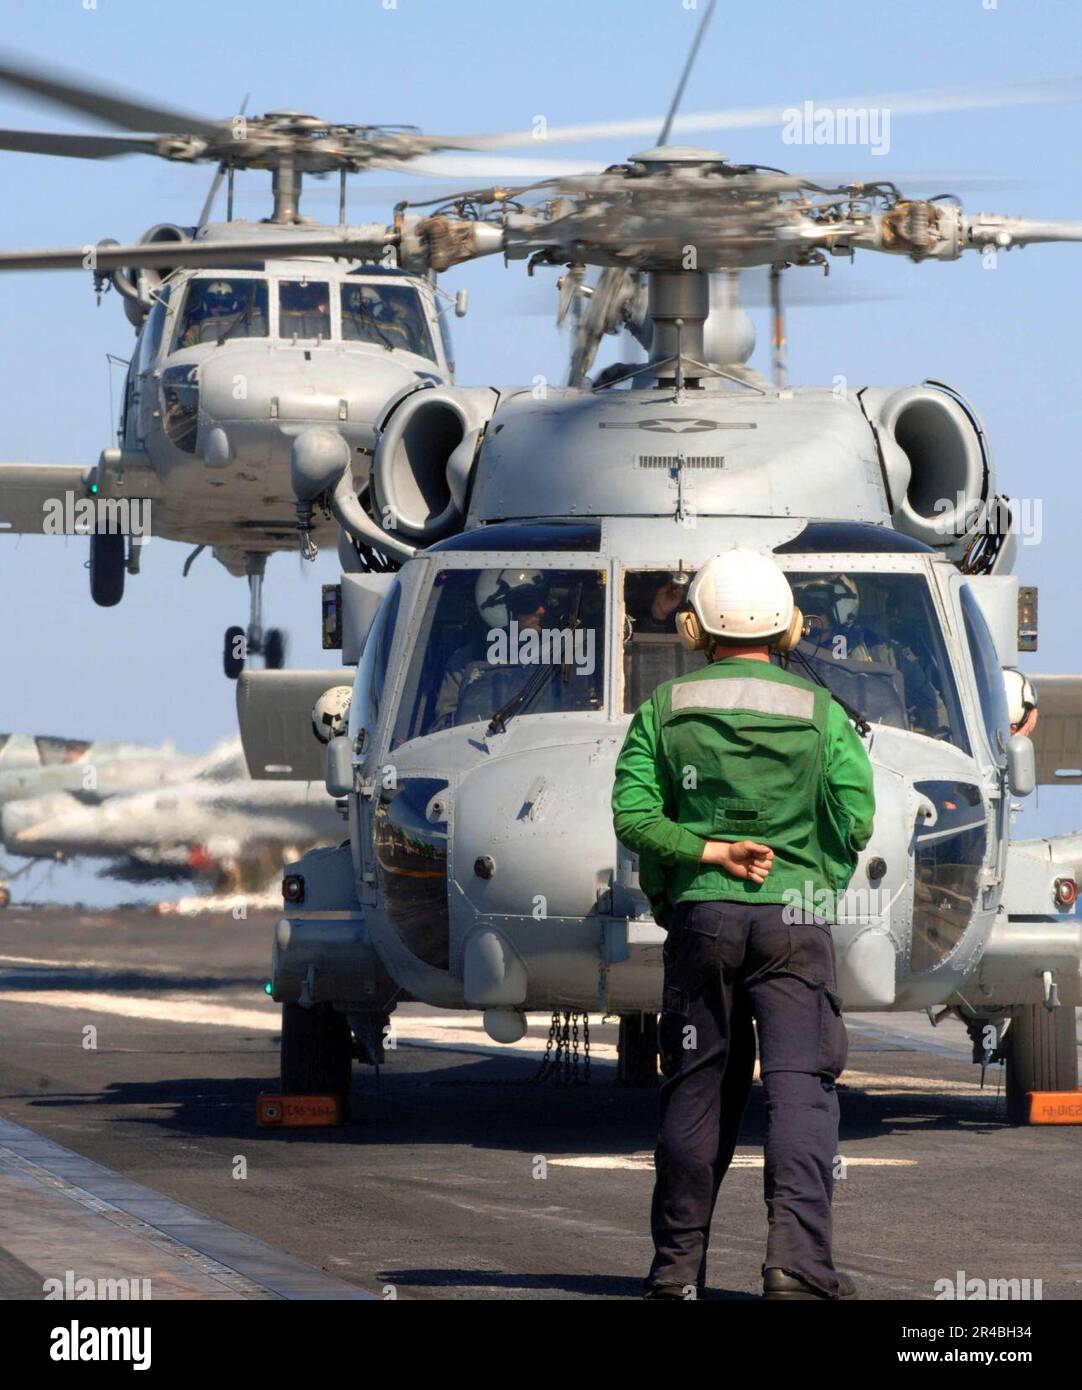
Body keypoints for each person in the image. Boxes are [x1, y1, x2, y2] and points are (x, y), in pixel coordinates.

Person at [612, 548, 876, 1301]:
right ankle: (795, 1266)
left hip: (703, 922)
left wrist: (701, 857)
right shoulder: (822, 713)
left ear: (693, 628)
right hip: (795, 922)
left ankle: (674, 1274)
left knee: (696, 1090)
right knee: (800, 1091)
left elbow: (633, 816)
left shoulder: (664, 711)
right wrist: (809, 878)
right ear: (790, 630)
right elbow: (854, 819)